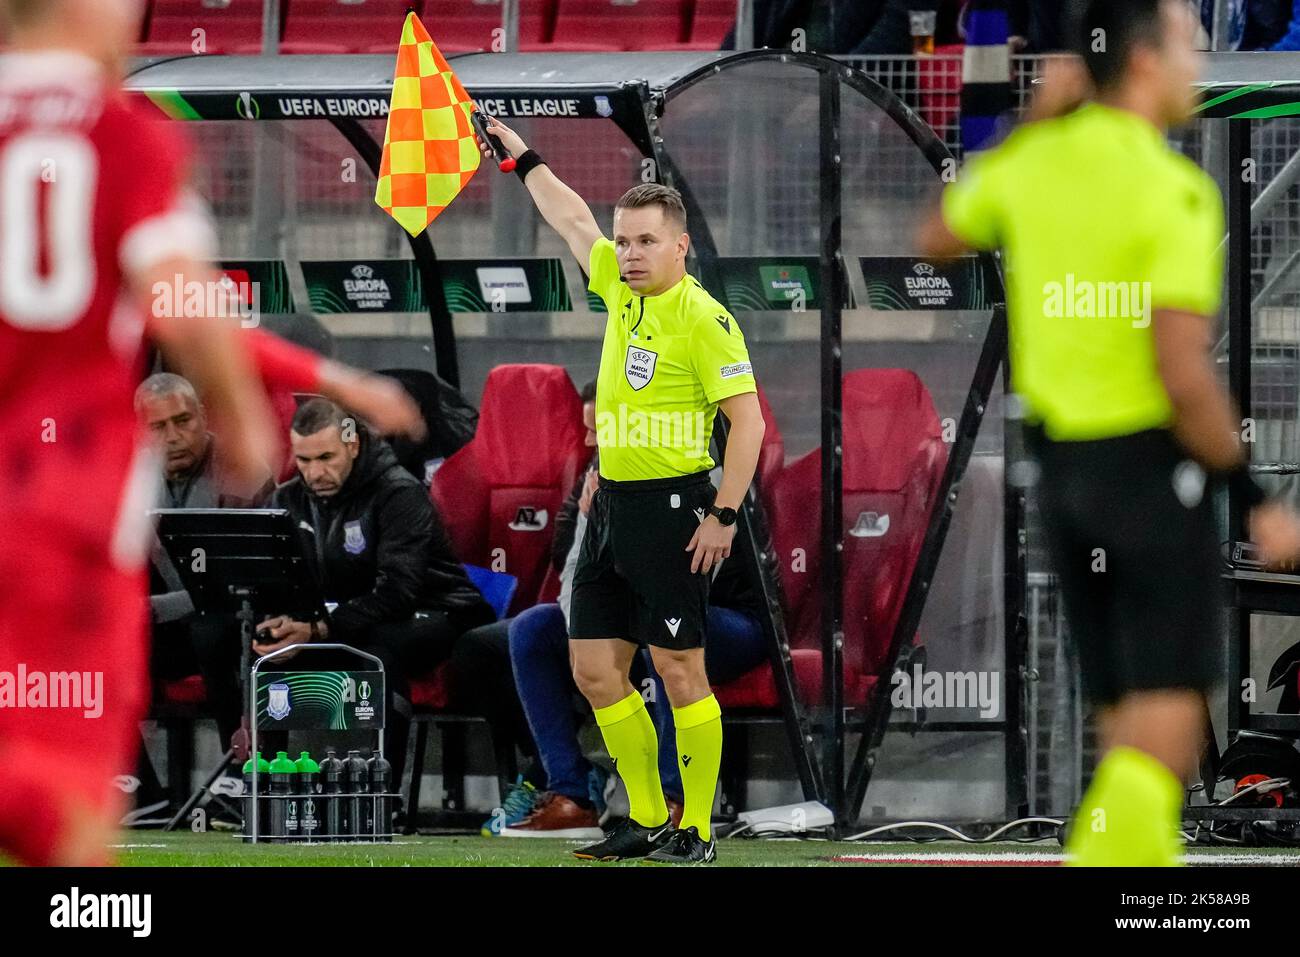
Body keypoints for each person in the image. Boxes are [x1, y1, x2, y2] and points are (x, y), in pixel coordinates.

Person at [0, 0, 421, 867]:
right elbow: (182, 303)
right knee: (70, 827)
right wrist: (242, 422)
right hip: (69, 521)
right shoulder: (121, 136)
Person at [918, 0, 1300, 866]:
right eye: (1189, 49)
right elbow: (1181, 372)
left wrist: (1026, 131)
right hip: (1146, 475)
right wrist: (1255, 497)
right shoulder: (1172, 188)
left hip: (1061, 478)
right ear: (1142, 63)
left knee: (1126, 723)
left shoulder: (1039, 162)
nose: (1199, 68)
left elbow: (937, 235)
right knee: (1162, 733)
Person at [477, 118, 767, 863]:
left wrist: (724, 515)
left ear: (681, 246)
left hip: (674, 508)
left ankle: (694, 829)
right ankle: (639, 817)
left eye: (644, 241)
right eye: (624, 240)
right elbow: (570, 216)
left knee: (677, 670)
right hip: (611, 508)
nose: (628, 254)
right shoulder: (620, 288)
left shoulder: (705, 320)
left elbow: (749, 425)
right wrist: (522, 156)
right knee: (596, 669)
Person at [256, 398, 495, 792]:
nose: (315, 473)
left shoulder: (397, 492)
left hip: (438, 612)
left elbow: (399, 591)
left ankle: (382, 793)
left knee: (377, 647)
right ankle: (259, 784)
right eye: (304, 460)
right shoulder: (287, 501)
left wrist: (317, 629)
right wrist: (284, 621)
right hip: (346, 618)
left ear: (352, 444)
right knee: (261, 645)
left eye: (326, 457)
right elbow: (278, 580)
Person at [136, 373, 273, 754]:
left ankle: (238, 766)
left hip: (238, 620)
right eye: (158, 427)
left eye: (182, 421)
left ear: (203, 416)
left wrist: (153, 607)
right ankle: (137, 787)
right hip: (172, 626)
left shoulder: (243, 472)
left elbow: (239, 582)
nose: (173, 436)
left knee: (209, 630)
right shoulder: (125, 479)